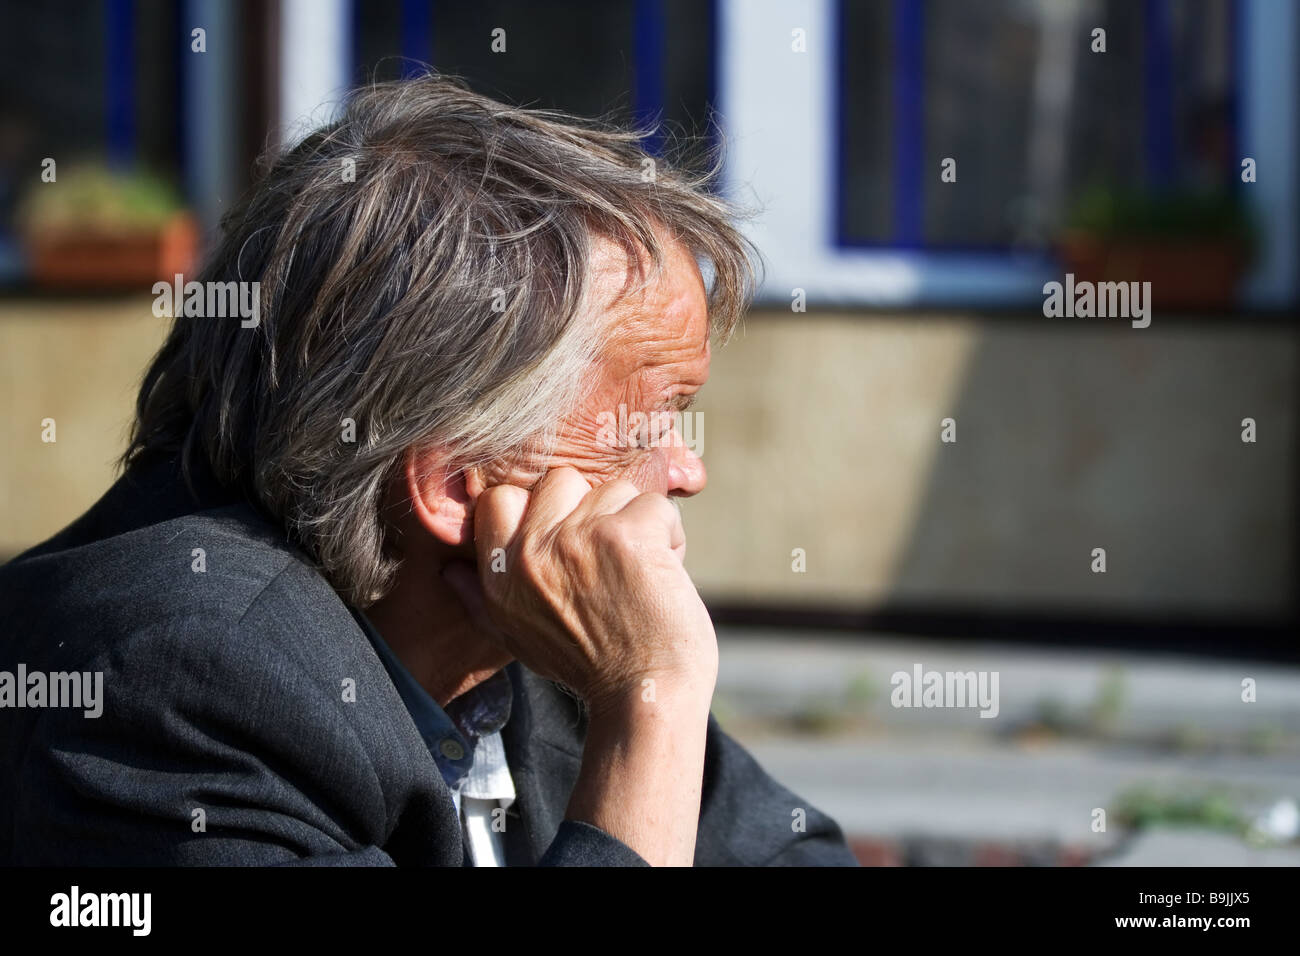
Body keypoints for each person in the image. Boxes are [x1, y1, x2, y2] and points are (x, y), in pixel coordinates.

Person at [0, 75, 857, 867]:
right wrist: (654, 702)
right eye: (653, 419)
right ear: (455, 481)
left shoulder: (534, 629)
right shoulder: (178, 685)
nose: (687, 469)